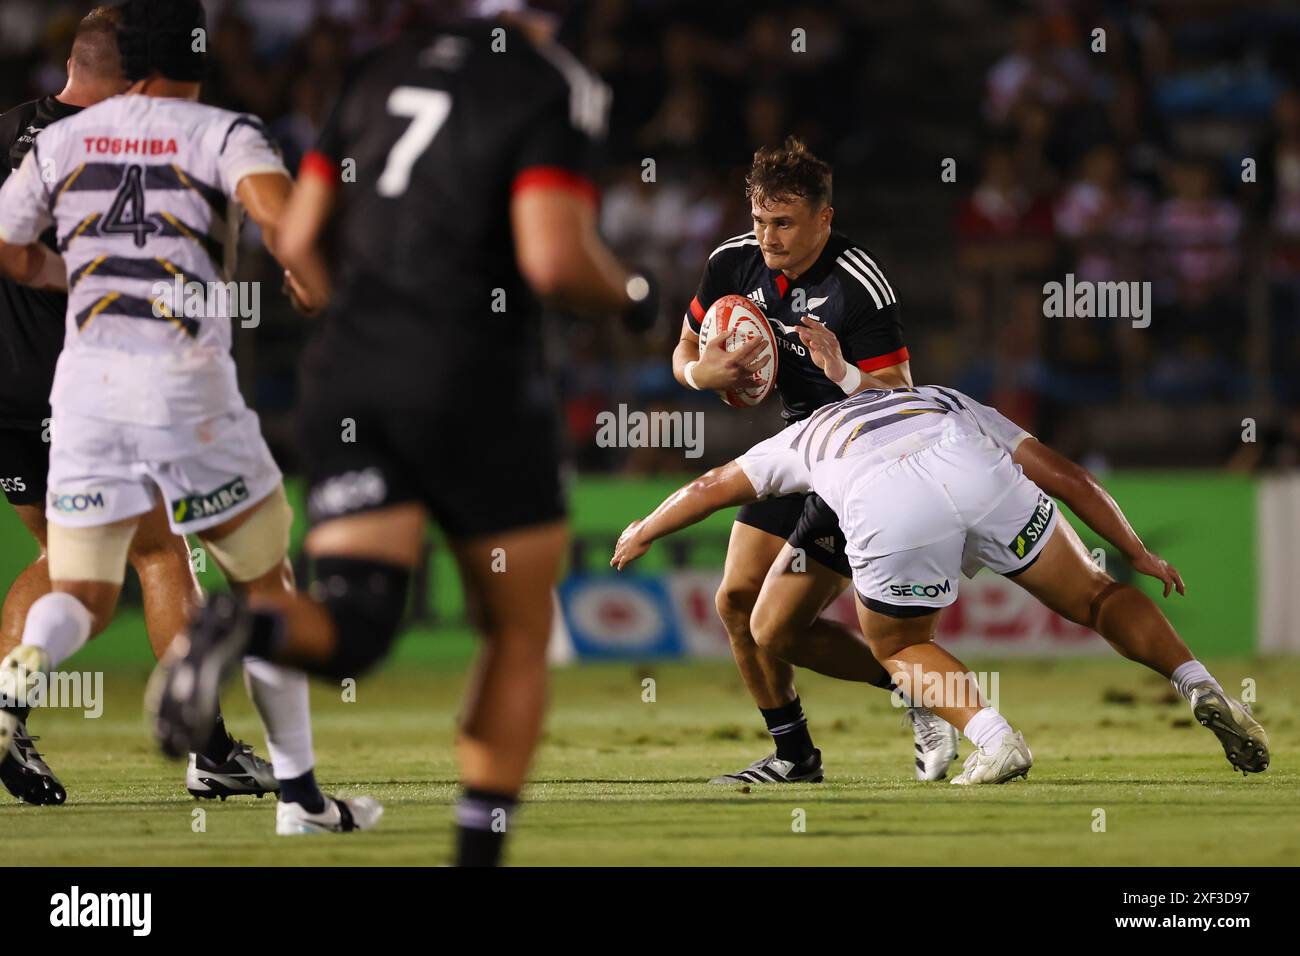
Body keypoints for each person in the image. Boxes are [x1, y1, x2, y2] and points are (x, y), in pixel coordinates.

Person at [145, 2, 658, 866]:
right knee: (517, 632)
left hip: (350, 373)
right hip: (474, 376)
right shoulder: (551, 84)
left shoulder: (379, 68)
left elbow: (298, 237)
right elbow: (552, 260)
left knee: (355, 626)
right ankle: (475, 852)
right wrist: (637, 299)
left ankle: (244, 622)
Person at [0, 0, 375, 834]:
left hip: (83, 389)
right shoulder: (221, 131)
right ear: (197, 66)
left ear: (123, 64)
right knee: (263, 580)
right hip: (184, 386)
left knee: (83, 585)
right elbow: (287, 225)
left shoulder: (58, 139)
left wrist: (82, 279)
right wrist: (314, 282)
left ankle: (15, 681)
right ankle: (300, 800)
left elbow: (10, 247)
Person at [612, 382, 1269, 782]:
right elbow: (1069, 477)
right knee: (1097, 594)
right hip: (974, 470)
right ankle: (1201, 686)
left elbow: (710, 487)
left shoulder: (808, 432)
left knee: (900, 647)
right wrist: (1138, 551)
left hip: (887, 499)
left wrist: (645, 528)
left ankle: (993, 738)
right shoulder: (946, 398)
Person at [672, 135, 958, 783]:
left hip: (863, 457)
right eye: (758, 220)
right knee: (735, 602)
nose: (767, 236)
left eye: (784, 222)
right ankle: (795, 756)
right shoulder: (732, 264)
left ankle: (922, 688)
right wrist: (701, 373)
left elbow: (900, 400)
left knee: (777, 627)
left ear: (823, 219)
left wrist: (840, 369)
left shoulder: (858, 281)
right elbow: (684, 350)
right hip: (796, 449)